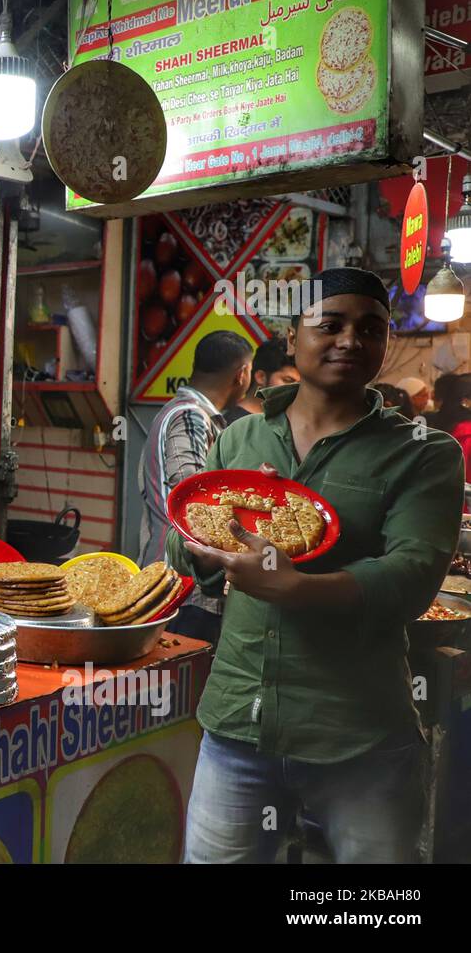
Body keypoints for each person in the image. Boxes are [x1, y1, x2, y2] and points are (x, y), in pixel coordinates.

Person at [168, 267, 463, 863]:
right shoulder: (239, 440)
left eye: (371, 329)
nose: (350, 340)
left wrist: (295, 587)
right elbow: (189, 559)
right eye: (329, 324)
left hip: (358, 734)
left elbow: (411, 575)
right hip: (238, 725)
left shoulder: (424, 453)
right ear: (293, 333)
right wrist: (209, 534)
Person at [138, 330, 253, 643]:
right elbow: (194, 500)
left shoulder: (185, 412)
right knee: (182, 681)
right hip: (182, 586)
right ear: (242, 374)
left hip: (175, 582)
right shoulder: (190, 417)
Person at [225, 335, 298, 422]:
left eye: (300, 384)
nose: (295, 388)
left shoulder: (287, 423)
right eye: (288, 380)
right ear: (261, 377)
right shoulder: (231, 424)